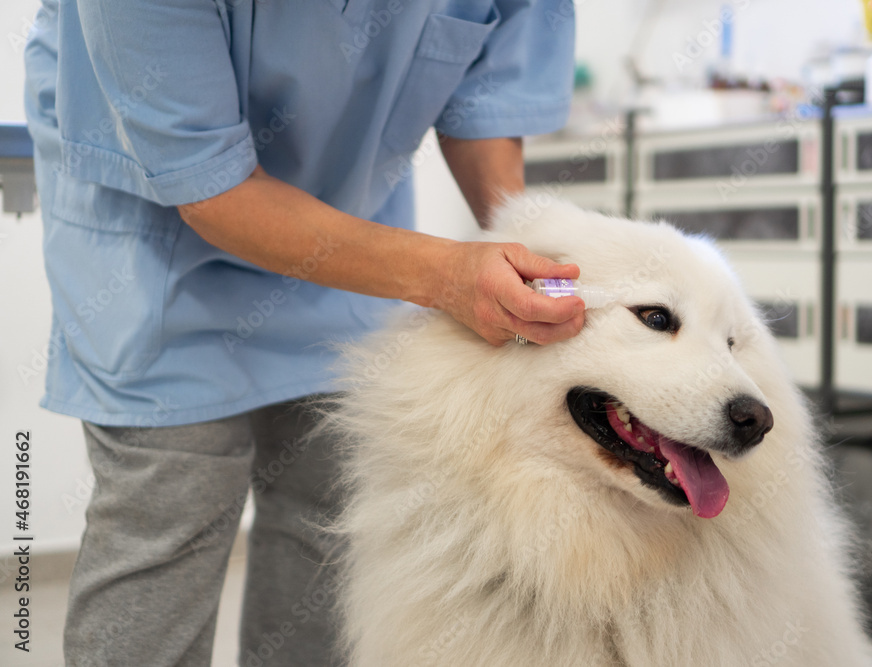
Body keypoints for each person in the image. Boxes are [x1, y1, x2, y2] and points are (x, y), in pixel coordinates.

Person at [23, 1, 583, 665]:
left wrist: (529, 246)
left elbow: (484, 89)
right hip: (155, 251)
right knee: (171, 512)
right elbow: (209, 182)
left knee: (331, 511)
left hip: (351, 239)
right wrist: (448, 277)